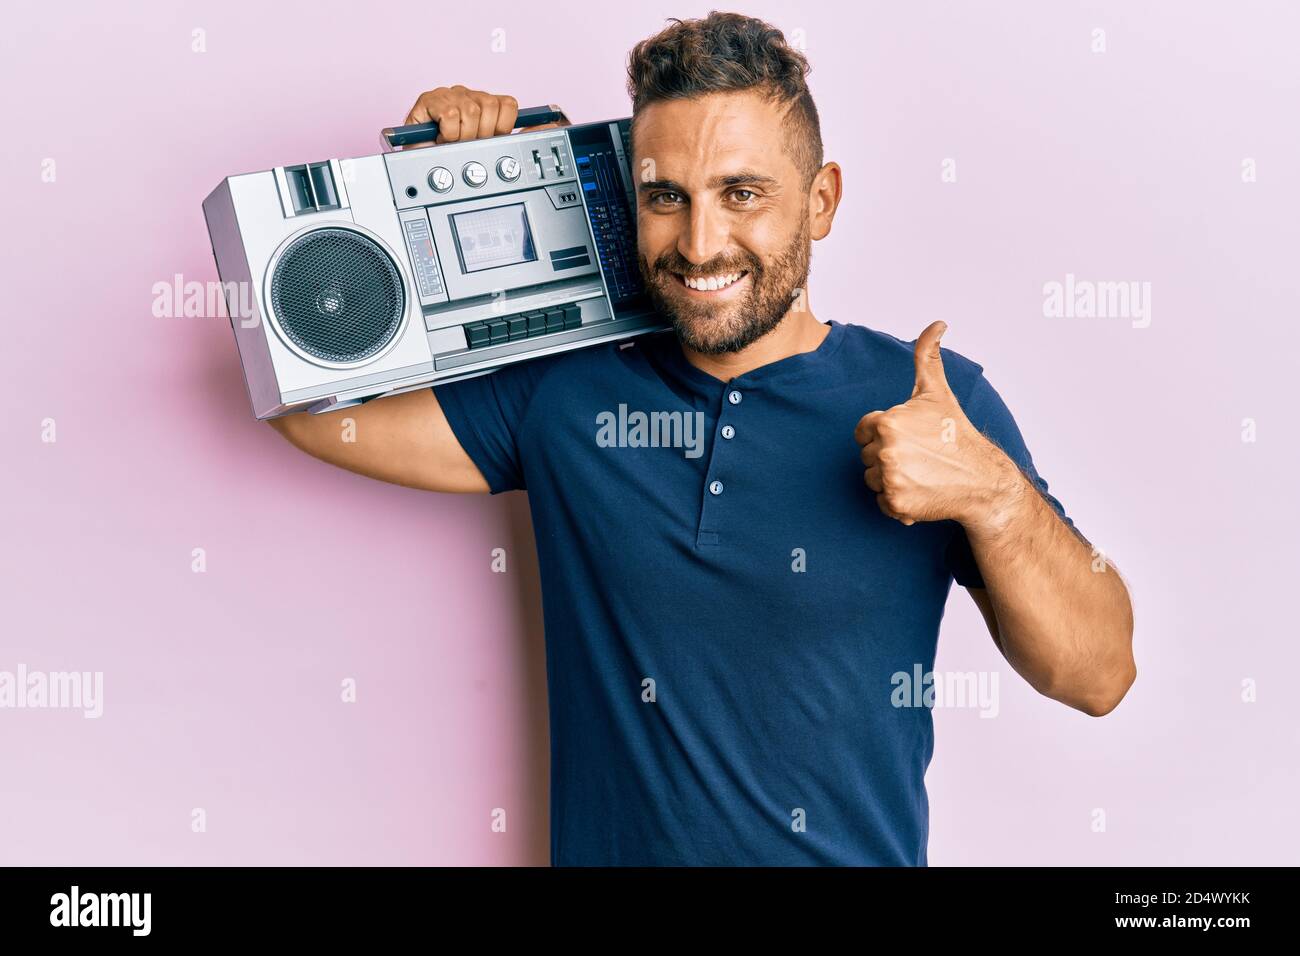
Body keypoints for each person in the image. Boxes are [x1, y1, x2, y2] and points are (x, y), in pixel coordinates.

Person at [267, 12, 1135, 866]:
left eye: (742, 193)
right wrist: (421, 201)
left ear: (821, 201)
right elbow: (308, 407)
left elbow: (1098, 675)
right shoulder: (566, 396)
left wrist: (992, 495)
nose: (700, 241)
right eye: (665, 198)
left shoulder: (931, 401)